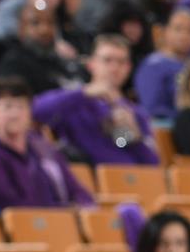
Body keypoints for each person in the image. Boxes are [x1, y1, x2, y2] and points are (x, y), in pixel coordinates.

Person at [34, 33, 160, 168]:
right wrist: (84, 92)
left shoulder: (133, 111)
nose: (114, 68)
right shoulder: (75, 101)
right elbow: (37, 110)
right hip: (86, 180)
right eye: (107, 60)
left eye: (121, 62)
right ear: (91, 64)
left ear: (128, 68)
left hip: (128, 182)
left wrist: (135, 138)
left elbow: (151, 166)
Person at [0, 78, 95, 210]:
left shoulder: (44, 148)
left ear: (30, 113)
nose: (15, 114)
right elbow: (10, 204)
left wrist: (83, 207)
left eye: (21, 107)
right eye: (7, 107)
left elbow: (77, 191)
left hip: (55, 223)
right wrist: (64, 212)